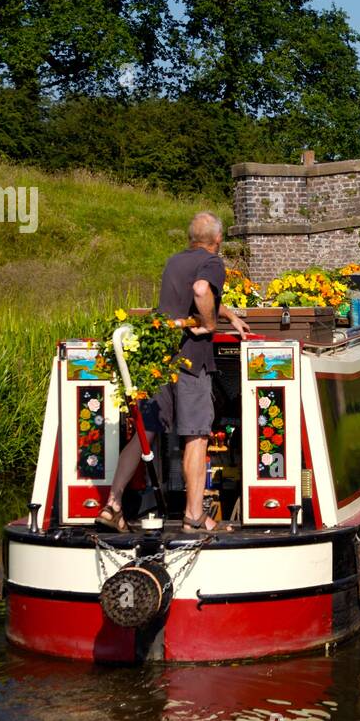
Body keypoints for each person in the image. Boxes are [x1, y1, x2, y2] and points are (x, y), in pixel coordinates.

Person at [96, 211, 250, 532]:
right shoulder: (214, 262)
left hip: (162, 361)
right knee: (196, 435)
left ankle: (113, 504)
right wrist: (209, 324)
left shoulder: (173, 262)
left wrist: (228, 314)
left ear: (190, 238)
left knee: (146, 432)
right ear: (217, 240)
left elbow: (191, 295)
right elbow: (200, 290)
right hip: (192, 361)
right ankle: (194, 516)